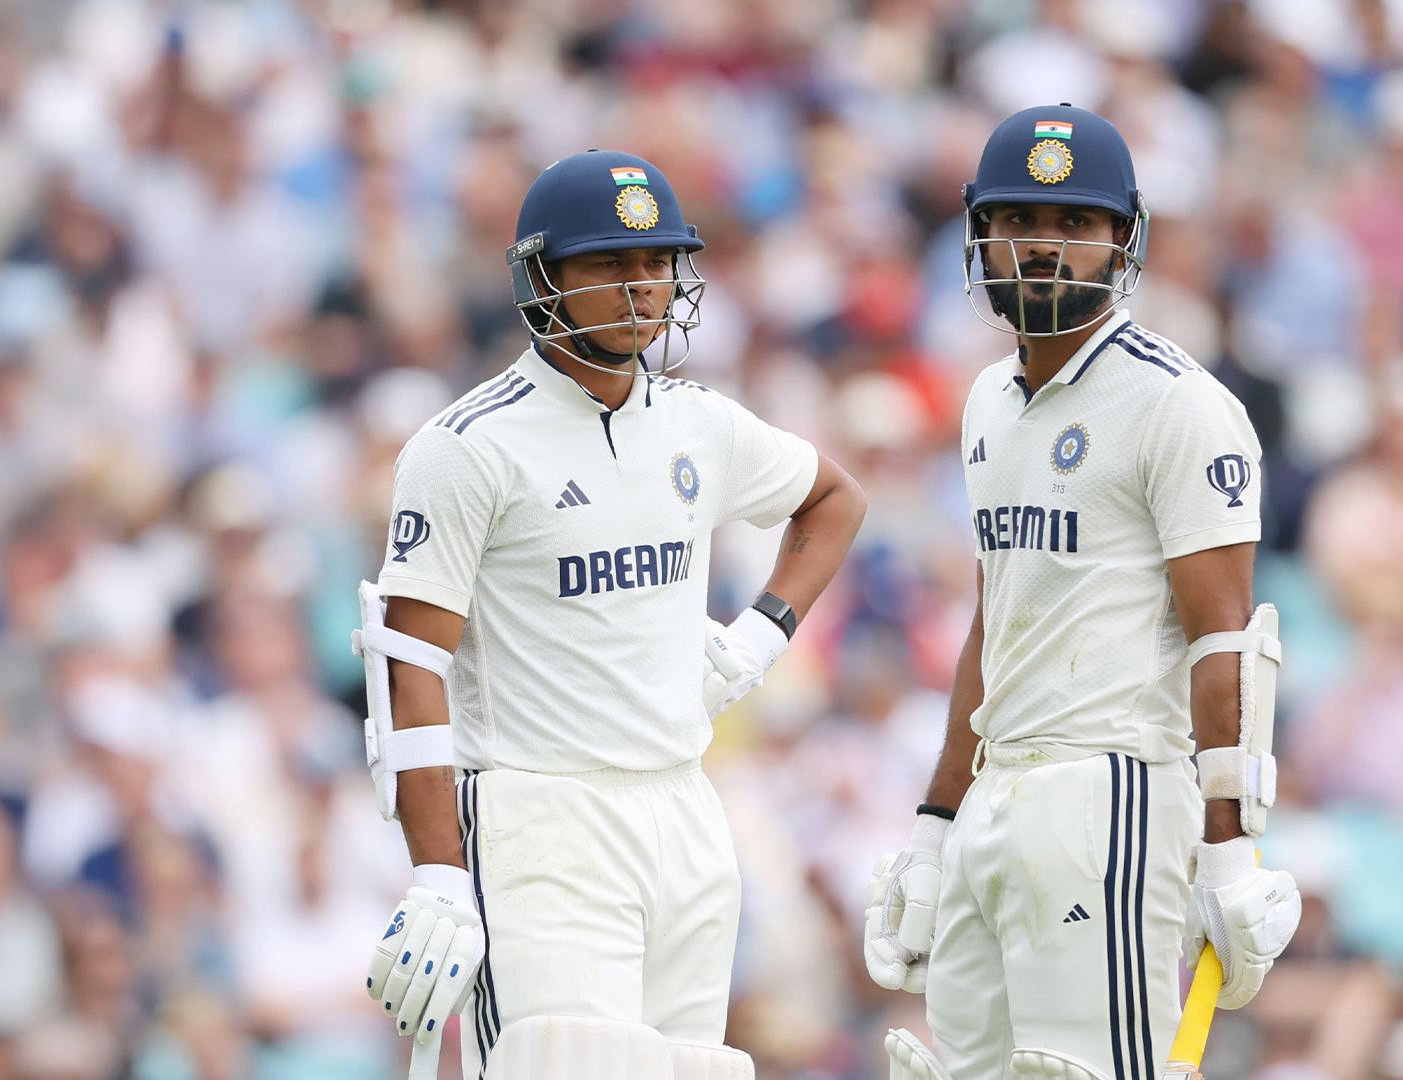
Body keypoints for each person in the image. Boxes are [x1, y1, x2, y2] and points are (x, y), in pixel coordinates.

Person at [353, 149, 865, 1078]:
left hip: (685, 808)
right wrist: (438, 871)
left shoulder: (700, 422)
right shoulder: (467, 446)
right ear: (542, 278)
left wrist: (756, 640)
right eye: (609, 264)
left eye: (657, 262)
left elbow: (834, 499)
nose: (642, 287)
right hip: (539, 819)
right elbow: (409, 664)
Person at [861, 106, 1303, 1080]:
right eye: (1019, 220)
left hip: (1113, 794)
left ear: (1123, 239)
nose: (1045, 246)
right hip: (995, 794)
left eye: (1075, 222)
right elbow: (995, 621)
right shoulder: (986, 400)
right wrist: (935, 827)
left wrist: (1228, 852)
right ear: (980, 234)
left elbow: (1225, 639)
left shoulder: (1178, 402)